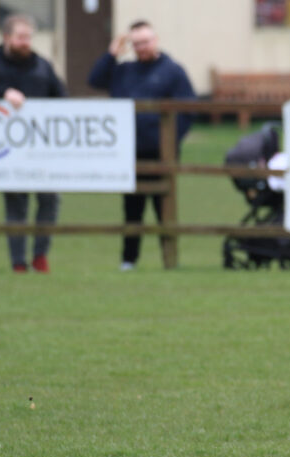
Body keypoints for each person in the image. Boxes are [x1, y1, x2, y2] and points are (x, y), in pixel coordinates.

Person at [87, 20, 196, 271]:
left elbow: (188, 111)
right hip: (129, 153)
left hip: (161, 154)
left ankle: (170, 260)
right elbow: (95, 80)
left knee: (164, 209)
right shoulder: (124, 71)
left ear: (156, 40)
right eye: (136, 44)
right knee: (132, 210)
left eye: (145, 42)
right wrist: (112, 53)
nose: (142, 48)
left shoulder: (172, 71)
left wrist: (169, 141)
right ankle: (128, 261)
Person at [0, 14, 67, 273]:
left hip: (42, 149)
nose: (26, 42)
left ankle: (40, 256)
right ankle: (18, 262)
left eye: (29, 37)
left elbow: (62, 96)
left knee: (49, 200)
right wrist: (3, 93)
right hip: (7, 150)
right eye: (21, 37)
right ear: (7, 38)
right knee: (16, 205)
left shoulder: (42, 65)